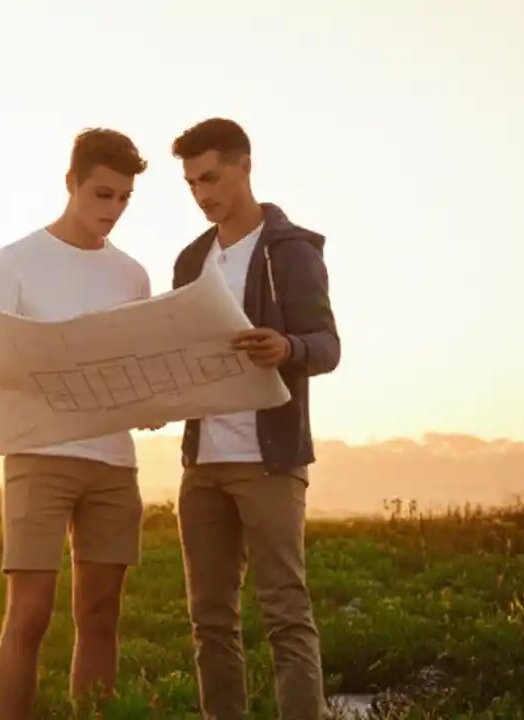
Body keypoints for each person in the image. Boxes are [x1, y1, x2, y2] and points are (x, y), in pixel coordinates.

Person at [0, 127, 153, 719]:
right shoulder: (15, 261)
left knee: (101, 613)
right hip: (38, 455)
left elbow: (141, 363)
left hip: (113, 463)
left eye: (123, 198)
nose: (112, 209)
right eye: (101, 194)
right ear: (71, 184)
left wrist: (153, 398)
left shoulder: (132, 276)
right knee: (30, 612)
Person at [168, 118, 341, 720]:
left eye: (211, 178)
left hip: (270, 461)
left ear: (245, 166)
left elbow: (328, 345)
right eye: (192, 183)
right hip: (203, 464)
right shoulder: (192, 259)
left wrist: (287, 347)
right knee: (210, 622)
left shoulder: (290, 251)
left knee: (285, 614)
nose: (202, 194)